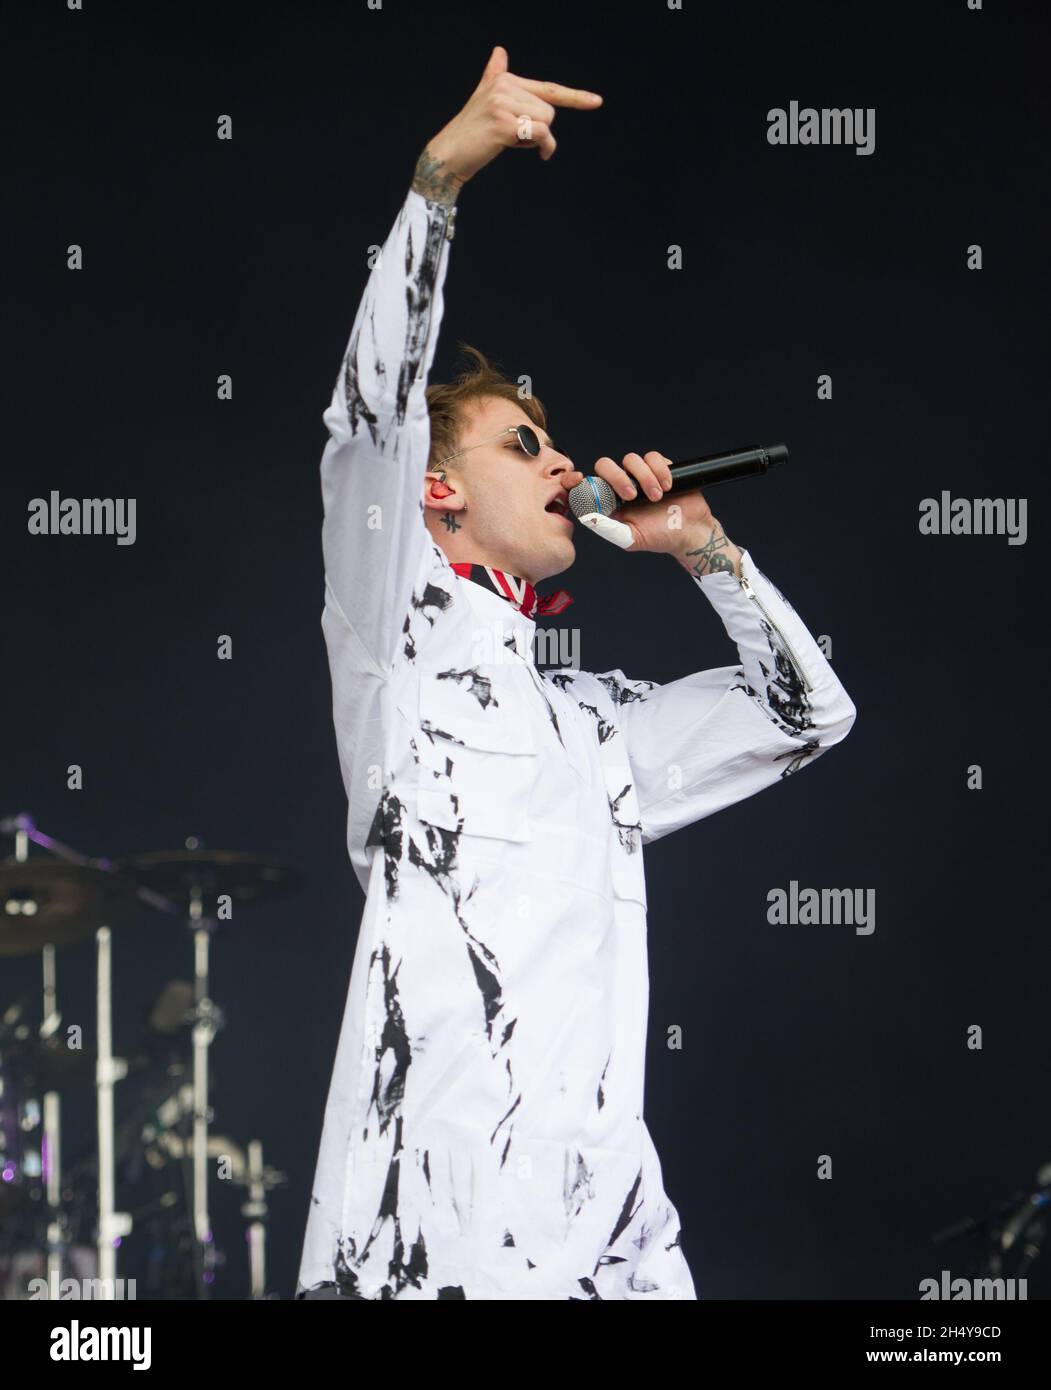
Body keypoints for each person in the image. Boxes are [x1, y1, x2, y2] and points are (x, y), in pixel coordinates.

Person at [297, 46, 856, 1301]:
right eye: (523, 443)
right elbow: (366, 422)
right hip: (436, 1223)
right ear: (435, 489)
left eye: (556, 443)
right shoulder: (395, 637)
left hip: (613, 1219)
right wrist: (438, 182)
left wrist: (708, 553)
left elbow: (808, 715)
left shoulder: (592, 729)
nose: (565, 464)